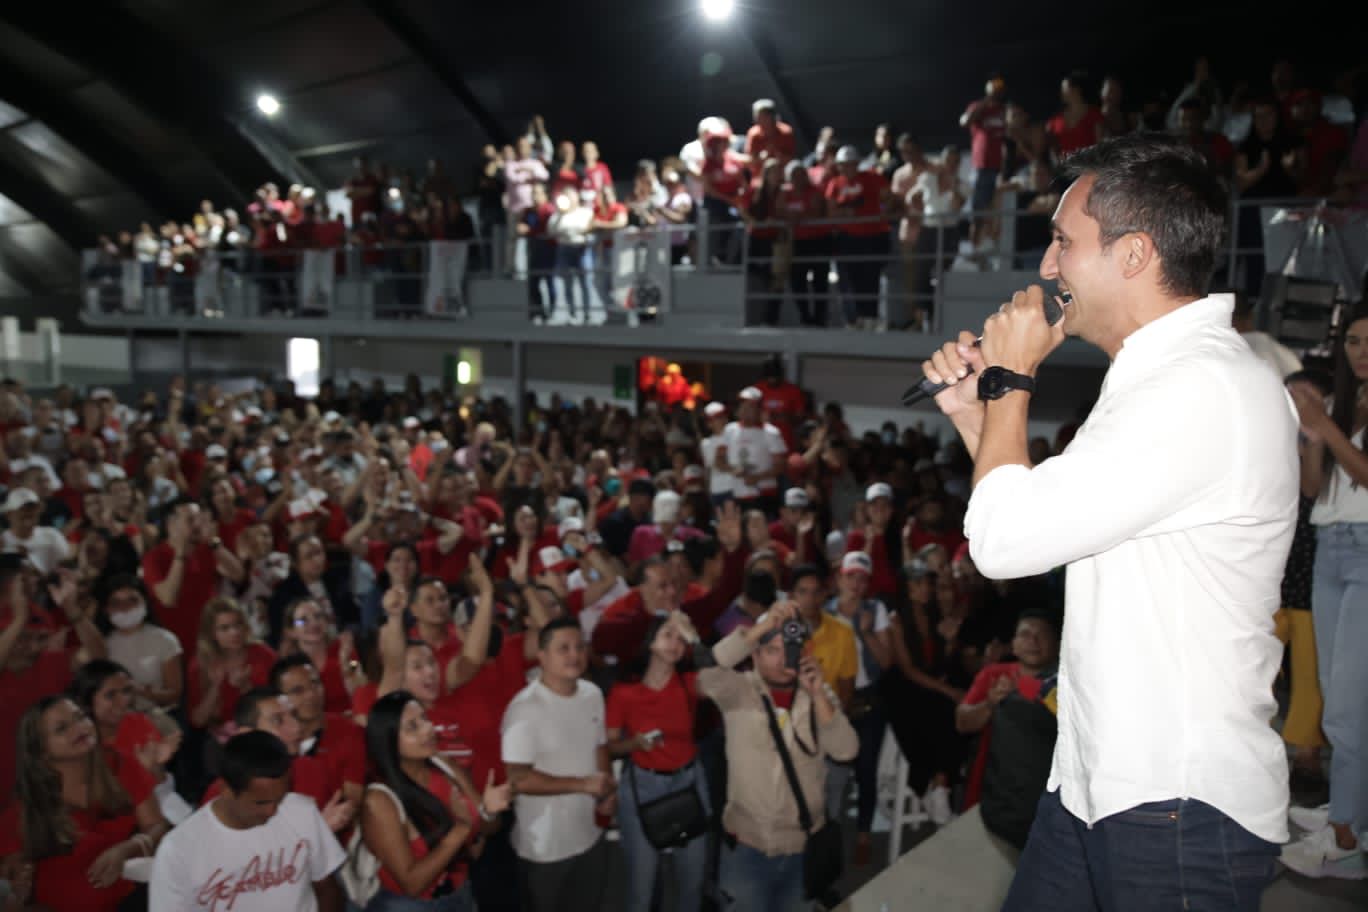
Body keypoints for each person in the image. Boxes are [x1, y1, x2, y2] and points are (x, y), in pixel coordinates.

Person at [918, 133, 1297, 908]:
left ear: (1134, 256)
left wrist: (1011, 375)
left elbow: (1001, 544)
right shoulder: (1160, 382)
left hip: (1177, 805)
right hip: (1100, 785)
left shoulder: (1199, 391)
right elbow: (1035, 516)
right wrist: (973, 412)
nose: (1047, 267)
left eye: (1063, 242)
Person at [1281, 305, 1368, 878]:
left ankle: (1345, 842)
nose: (1359, 350)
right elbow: (1316, 485)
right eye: (1354, 341)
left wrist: (1329, 426)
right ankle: (1347, 811)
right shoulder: (1348, 401)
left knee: (1346, 706)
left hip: (1364, 549)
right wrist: (1310, 431)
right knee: (1335, 695)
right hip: (1332, 545)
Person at [699, 601, 857, 912]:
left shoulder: (818, 696)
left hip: (802, 848)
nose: (782, 658)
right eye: (770, 650)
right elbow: (706, 674)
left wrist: (817, 694)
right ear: (754, 656)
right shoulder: (738, 691)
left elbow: (846, 750)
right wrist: (759, 628)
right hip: (747, 848)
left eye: (789, 648)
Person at [0, 695, 168, 911]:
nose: (79, 728)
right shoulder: (26, 806)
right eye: (62, 728)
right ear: (40, 752)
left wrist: (128, 848)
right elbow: (13, 874)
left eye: (80, 717)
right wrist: (18, 885)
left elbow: (157, 826)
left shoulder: (119, 764)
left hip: (131, 897)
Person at [150, 730, 346, 911]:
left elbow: (327, 888)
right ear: (225, 790)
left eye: (279, 799)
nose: (272, 811)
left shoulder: (302, 812)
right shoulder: (178, 850)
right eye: (260, 802)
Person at [361, 690, 513, 911]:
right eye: (413, 727)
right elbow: (411, 884)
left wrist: (489, 810)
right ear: (388, 740)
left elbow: (488, 828)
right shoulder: (380, 799)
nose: (428, 729)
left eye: (424, 718)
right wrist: (460, 831)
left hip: (460, 894)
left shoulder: (444, 765)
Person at [500, 616, 612, 912]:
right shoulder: (523, 709)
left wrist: (606, 789)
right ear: (542, 657)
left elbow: (600, 745)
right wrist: (582, 784)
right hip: (544, 848)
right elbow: (517, 779)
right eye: (564, 648)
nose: (574, 655)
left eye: (579, 647)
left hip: (590, 834)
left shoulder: (592, 694)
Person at [605, 611, 710, 912]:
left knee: (692, 886)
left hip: (689, 782)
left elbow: (719, 675)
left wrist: (695, 639)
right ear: (650, 643)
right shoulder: (625, 691)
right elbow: (609, 746)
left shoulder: (689, 683)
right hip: (644, 785)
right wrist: (634, 743)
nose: (675, 643)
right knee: (642, 888)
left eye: (680, 638)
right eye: (668, 635)